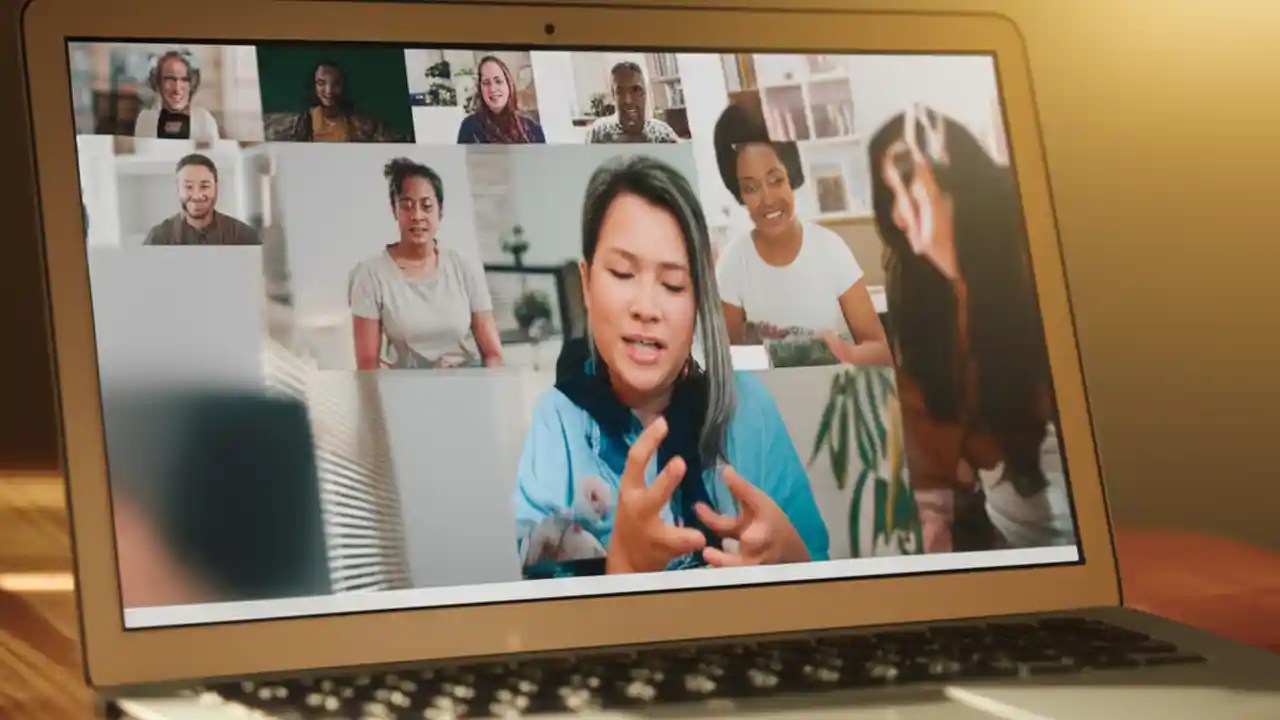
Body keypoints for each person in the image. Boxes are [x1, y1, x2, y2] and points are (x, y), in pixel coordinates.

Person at [512, 155, 828, 578]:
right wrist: (623, 568)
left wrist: (791, 560)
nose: (646, 308)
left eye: (673, 284)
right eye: (623, 273)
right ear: (587, 284)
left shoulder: (748, 408)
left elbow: (824, 582)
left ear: (698, 299)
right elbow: (536, 618)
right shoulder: (558, 422)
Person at [868, 103, 1071, 553]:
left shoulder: (1037, 273)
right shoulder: (919, 293)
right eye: (889, 197)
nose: (901, 214)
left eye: (910, 187)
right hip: (1012, 547)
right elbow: (930, 450)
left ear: (958, 185)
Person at [711, 103, 890, 366]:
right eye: (751, 187)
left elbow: (880, 350)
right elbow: (726, 364)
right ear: (739, 193)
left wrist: (846, 354)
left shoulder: (831, 250)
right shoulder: (733, 263)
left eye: (776, 180)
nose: (767, 199)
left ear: (791, 176)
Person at [348, 157, 504, 370]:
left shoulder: (464, 267)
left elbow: (494, 354)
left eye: (426, 206)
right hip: (405, 392)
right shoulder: (371, 274)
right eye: (406, 206)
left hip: (467, 384)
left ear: (440, 211)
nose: (417, 216)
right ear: (395, 210)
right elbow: (367, 366)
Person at [265, 60, 400, 142]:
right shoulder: (300, 122)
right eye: (321, 83)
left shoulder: (360, 124)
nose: (329, 91)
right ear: (313, 86)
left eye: (336, 84)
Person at [143, 154, 259, 246]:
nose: (197, 196)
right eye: (188, 187)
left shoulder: (243, 236)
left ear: (216, 188)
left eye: (204, 186)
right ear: (178, 189)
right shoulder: (158, 238)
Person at [133, 50, 221, 142]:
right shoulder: (145, 119)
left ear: (192, 84)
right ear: (158, 83)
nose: (177, 88)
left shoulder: (204, 120)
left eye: (184, 79)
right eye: (170, 79)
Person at [456, 55, 546, 144]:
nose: (492, 89)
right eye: (486, 83)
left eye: (498, 81)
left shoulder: (534, 129)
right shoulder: (469, 127)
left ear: (509, 85)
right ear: (480, 89)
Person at [585, 61, 679, 144]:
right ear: (613, 95)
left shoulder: (663, 135)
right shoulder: (598, 133)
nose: (628, 100)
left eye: (635, 90)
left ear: (645, 92)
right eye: (620, 92)